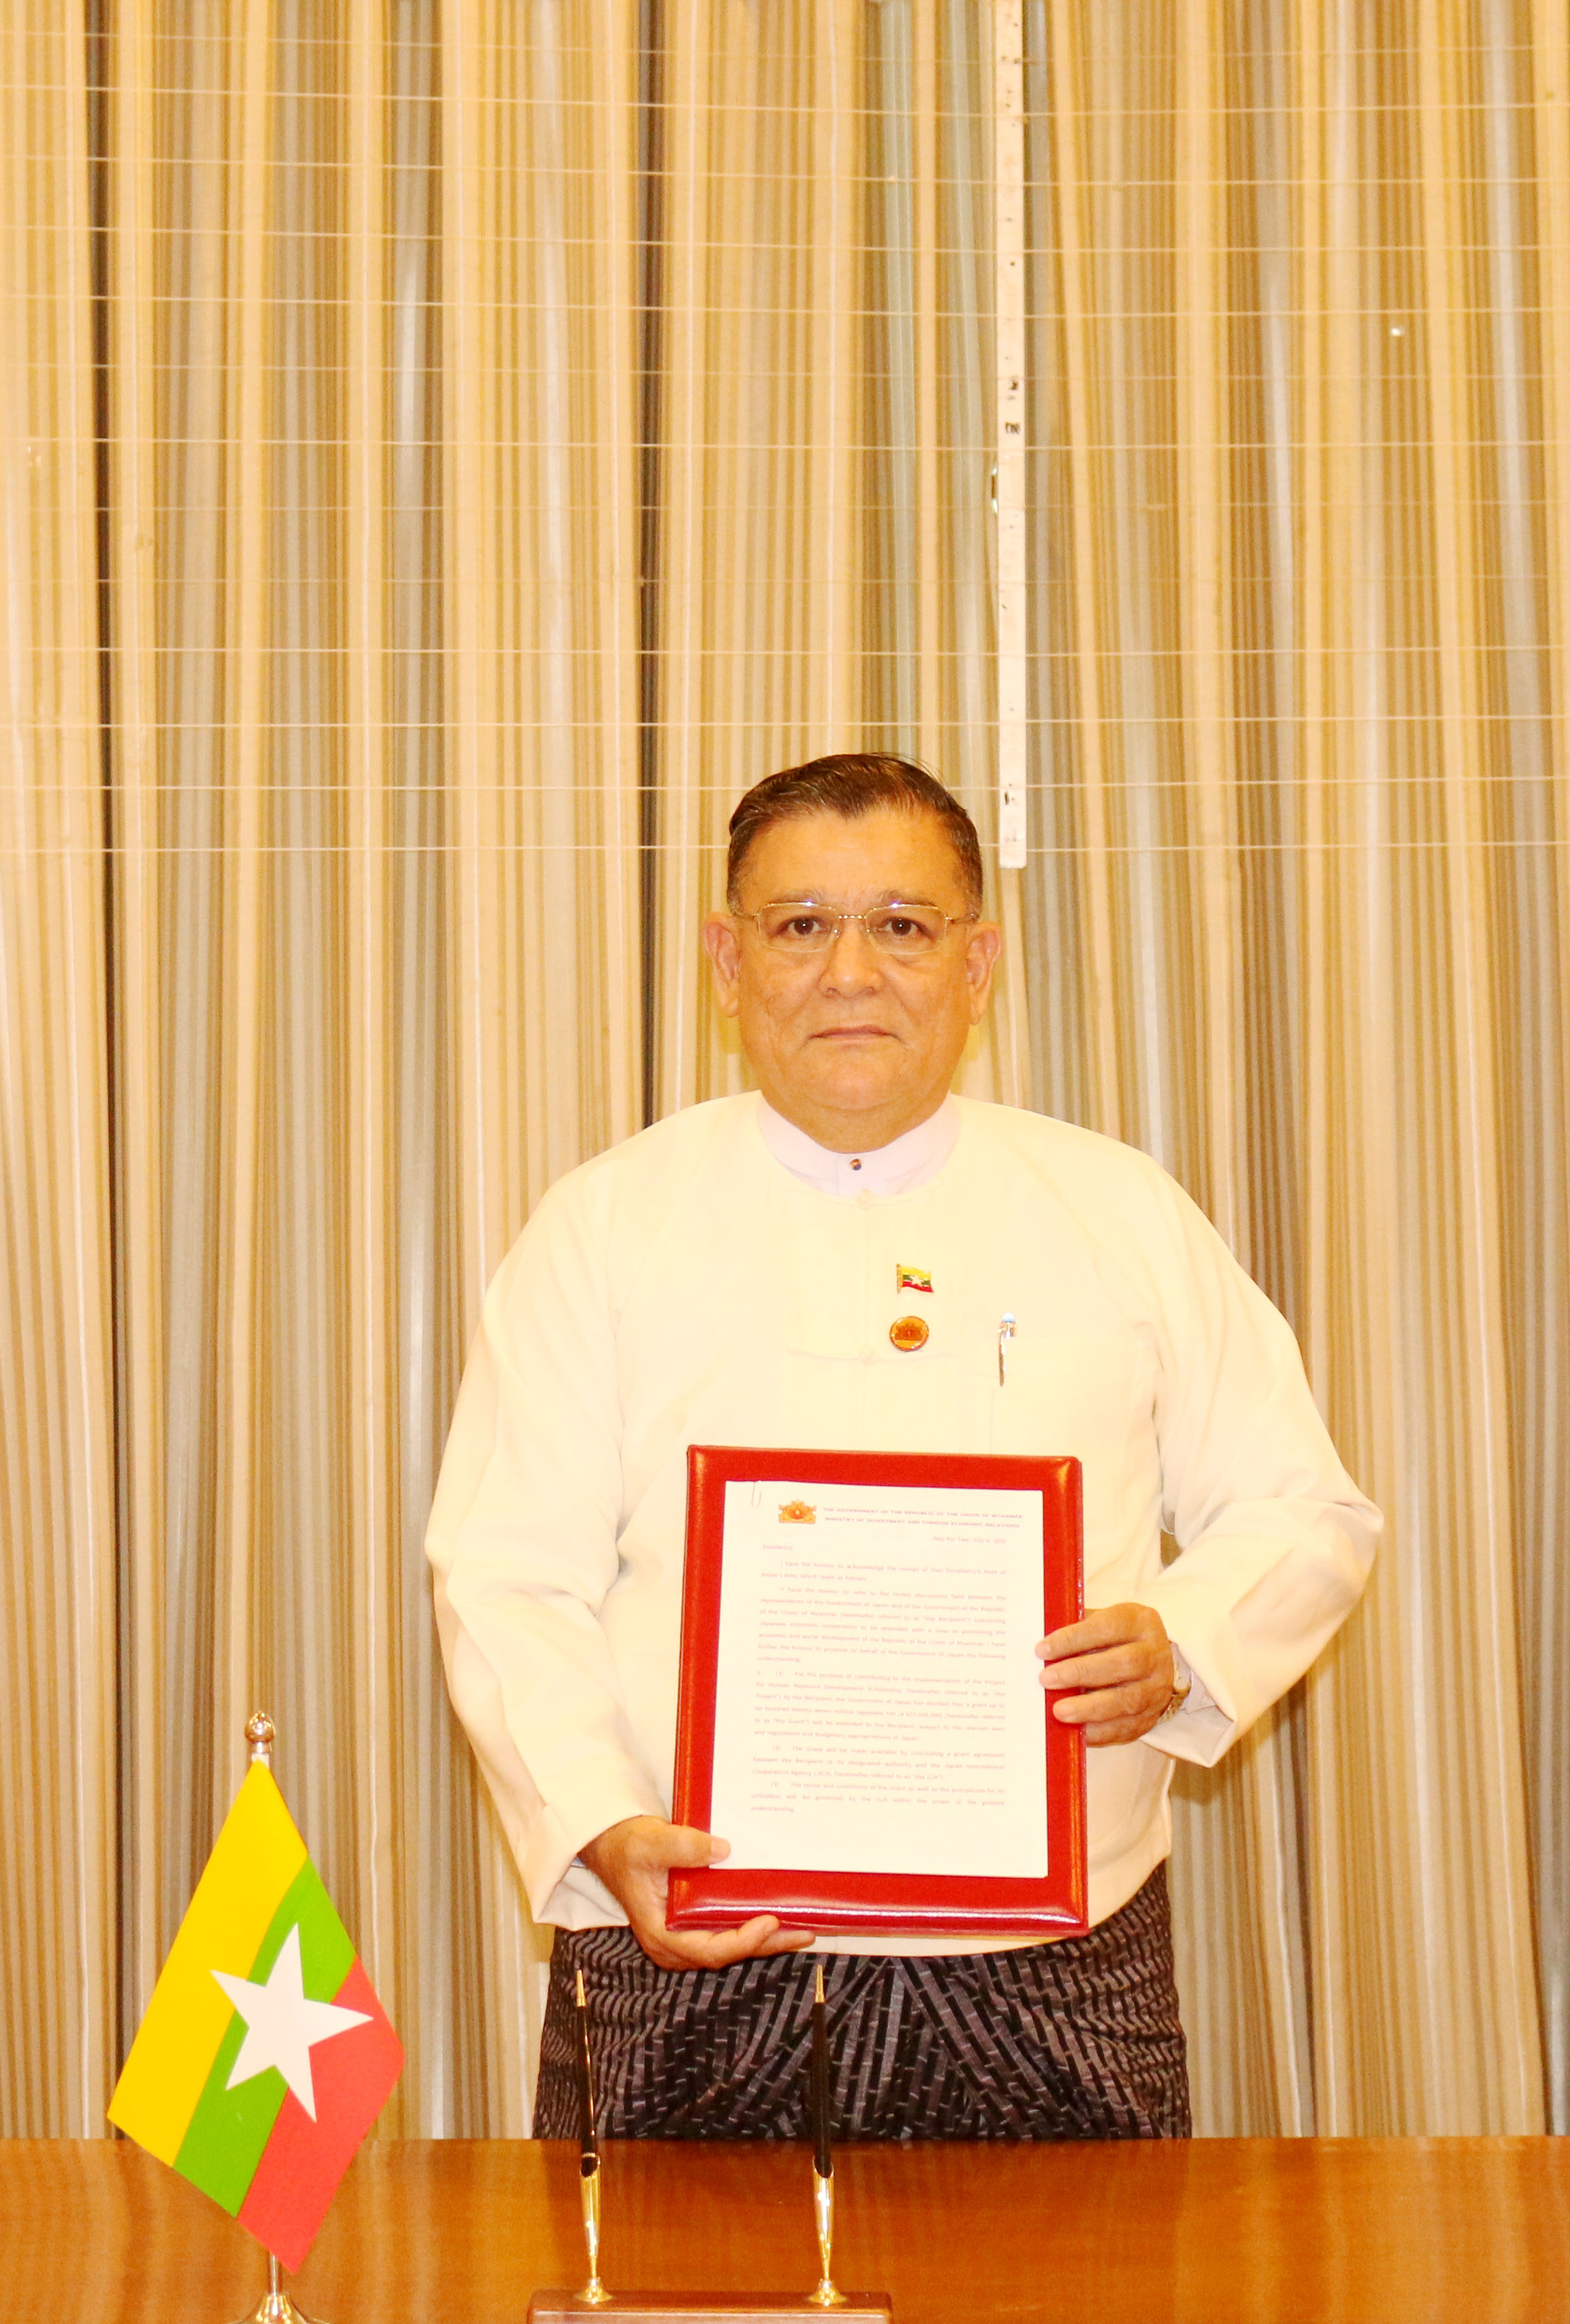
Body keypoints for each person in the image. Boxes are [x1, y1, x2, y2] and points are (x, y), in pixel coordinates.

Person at [425, 751, 1378, 2140]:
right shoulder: (605, 1228)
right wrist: (601, 1823)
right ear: (726, 959)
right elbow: (507, 1576)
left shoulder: (1118, 1211)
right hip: (693, 1946)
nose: (851, 973)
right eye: (800, 925)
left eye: (904, 926)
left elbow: (1305, 1507)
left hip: (1052, 1961)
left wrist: (1180, 1636)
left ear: (978, 965)